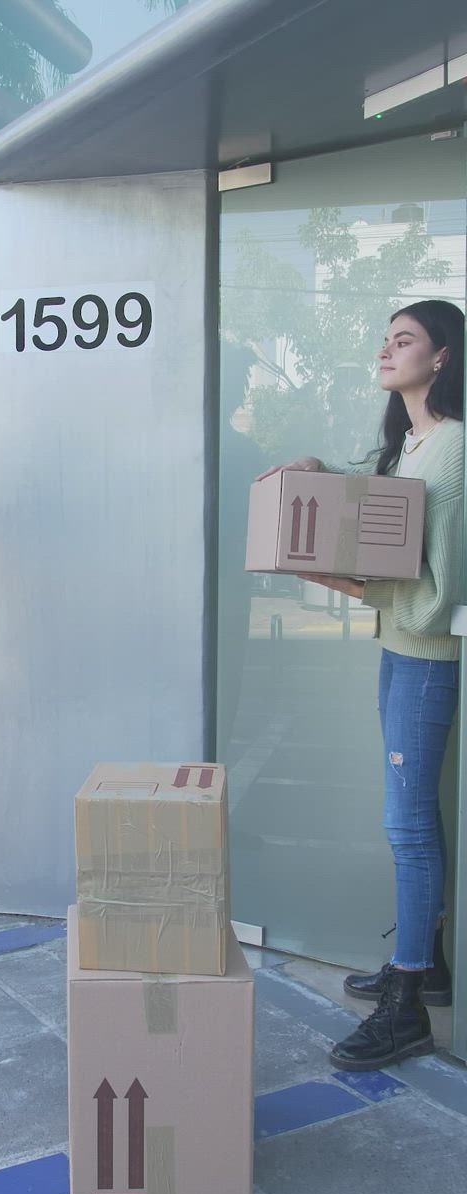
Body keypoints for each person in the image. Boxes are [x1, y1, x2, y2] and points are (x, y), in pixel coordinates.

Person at [259, 299, 465, 1070]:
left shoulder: (454, 449)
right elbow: (385, 516)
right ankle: (427, 963)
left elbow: (437, 593)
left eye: (403, 340)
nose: (386, 350)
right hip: (399, 653)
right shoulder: (413, 444)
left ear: (441, 356)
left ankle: (407, 1006)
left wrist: (334, 579)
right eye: (384, 339)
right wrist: (320, 472)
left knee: (407, 827)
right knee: (414, 818)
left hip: (427, 658)